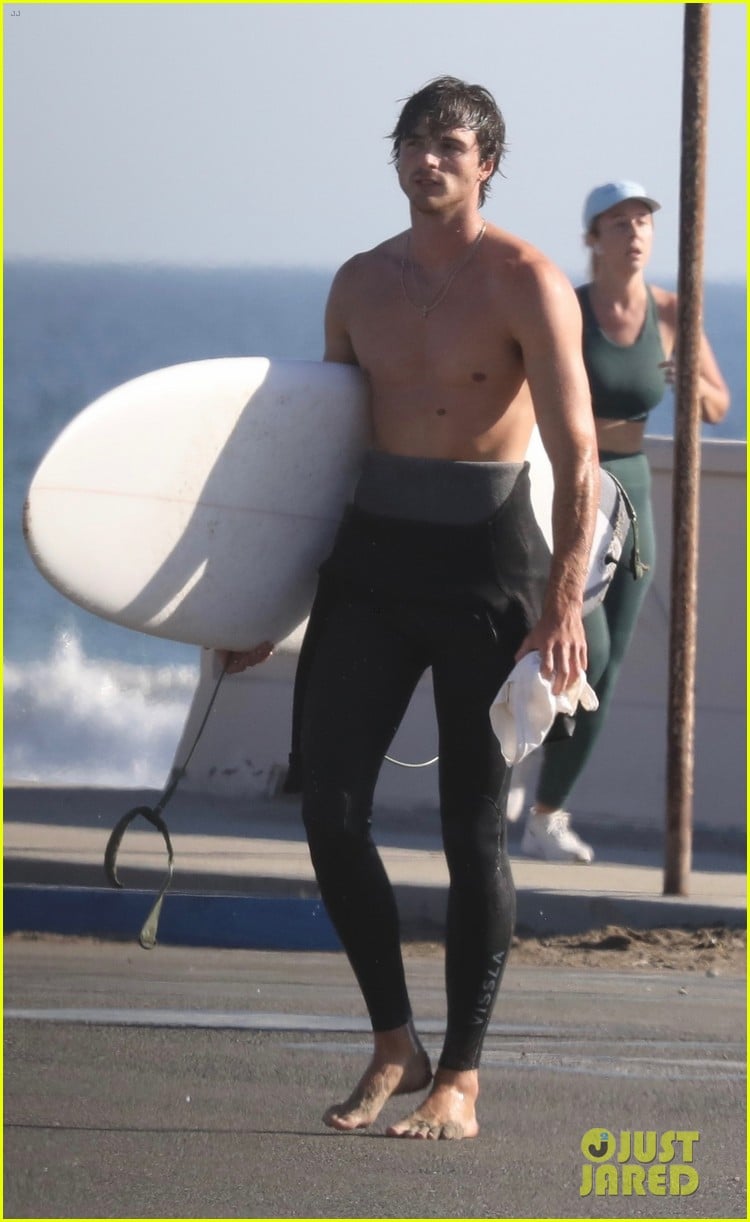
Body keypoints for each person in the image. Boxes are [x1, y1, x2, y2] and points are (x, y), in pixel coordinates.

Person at [225, 76, 599, 1140]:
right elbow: (318, 455)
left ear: (487, 163)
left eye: (449, 145)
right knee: (330, 811)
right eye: (413, 144)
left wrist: (561, 602)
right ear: (395, 161)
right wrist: (266, 598)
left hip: (491, 570)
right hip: (372, 567)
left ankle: (463, 1081)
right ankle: (396, 1039)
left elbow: (576, 460)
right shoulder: (357, 286)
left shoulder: (527, 282)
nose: (428, 160)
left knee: (469, 827)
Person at [520, 180, 730, 865]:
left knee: (606, 673)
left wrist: (686, 383)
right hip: (572, 483)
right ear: (593, 238)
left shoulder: (671, 311)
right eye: (620, 222)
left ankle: (546, 813)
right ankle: (508, 784)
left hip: (634, 487)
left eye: (643, 221)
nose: (636, 232)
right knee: (588, 649)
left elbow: (718, 405)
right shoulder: (569, 310)